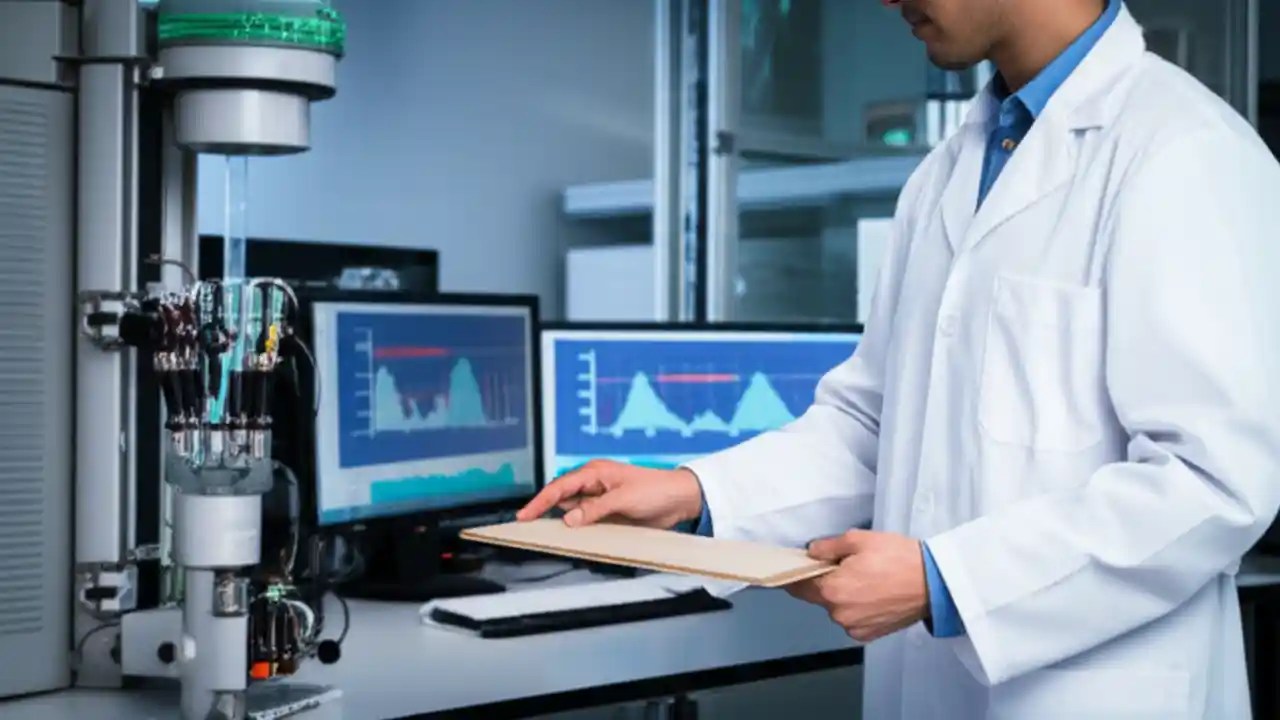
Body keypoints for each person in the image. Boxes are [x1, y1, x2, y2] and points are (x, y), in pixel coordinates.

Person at [518, 0, 1280, 717]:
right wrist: (692, 492)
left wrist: (951, 582)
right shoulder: (949, 169)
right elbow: (872, 425)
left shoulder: (1186, 150)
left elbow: (1216, 480)